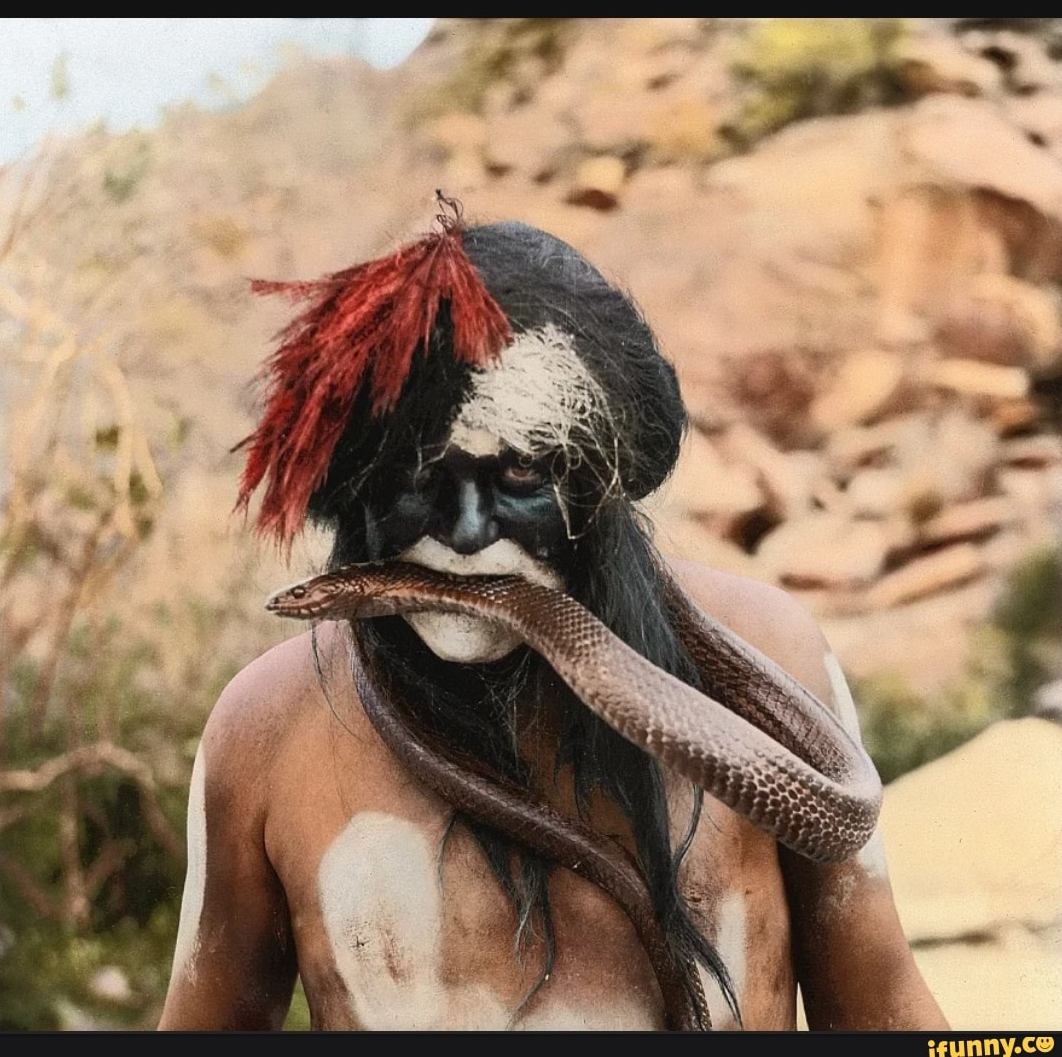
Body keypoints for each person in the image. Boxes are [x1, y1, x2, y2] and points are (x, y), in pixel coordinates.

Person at [158, 208, 947, 1031]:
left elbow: (884, 1005)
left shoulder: (769, 656)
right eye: (418, 478)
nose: (465, 539)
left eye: (522, 473)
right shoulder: (265, 731)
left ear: (599, 474)